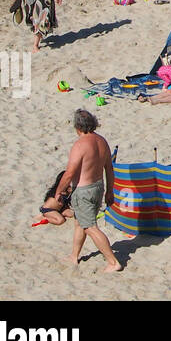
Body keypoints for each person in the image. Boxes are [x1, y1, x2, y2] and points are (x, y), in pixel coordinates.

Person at [56, 110, 121, 271]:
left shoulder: (80, 144)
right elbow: (109, 168)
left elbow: (69, 172)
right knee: (79, 222)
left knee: (89, 226)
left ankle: (113, 262)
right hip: (98, 187)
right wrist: (110, 191)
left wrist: (59, 191)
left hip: (84, 190)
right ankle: (74, 256)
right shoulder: (102, 141)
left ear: (78, 126)